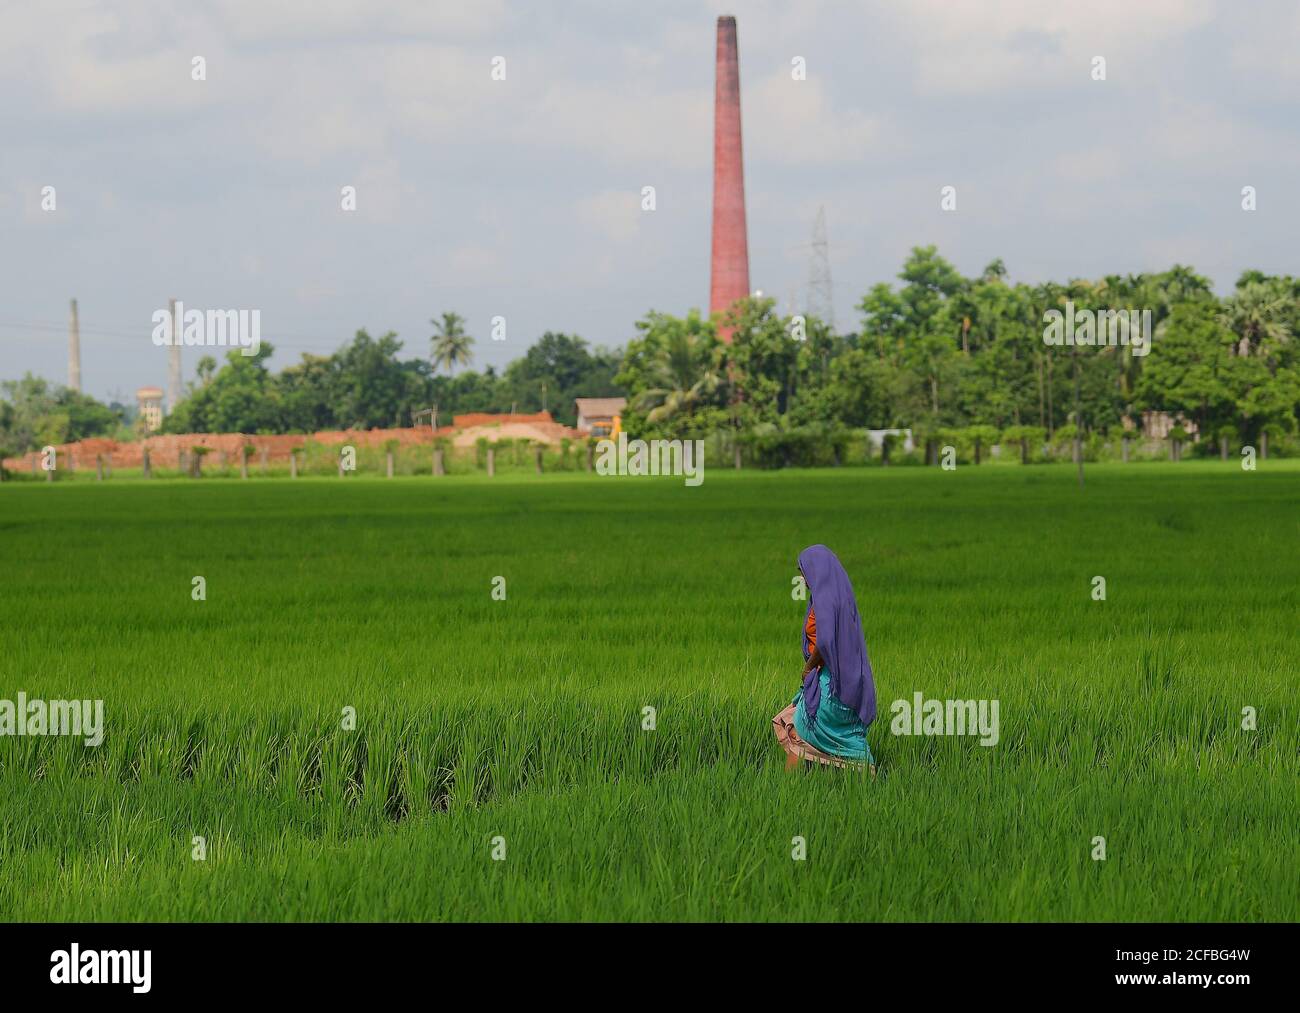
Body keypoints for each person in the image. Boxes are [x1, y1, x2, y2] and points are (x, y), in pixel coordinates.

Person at [772, 544, 877, 773]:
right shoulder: (835, 595)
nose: (801, 577)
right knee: (839, 736)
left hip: (832, 684)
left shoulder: (825, 600)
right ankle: (862, 774)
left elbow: (825, 641)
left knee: (798, 730)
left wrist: (808, 669)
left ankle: (785, 787)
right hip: (842, 680)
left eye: (803, 571)